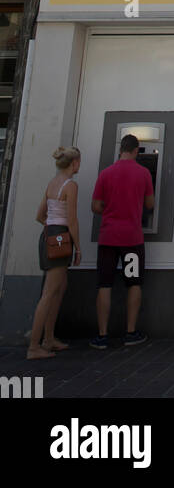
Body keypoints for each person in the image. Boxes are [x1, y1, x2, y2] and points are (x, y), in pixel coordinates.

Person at [89, 134, 153, 349]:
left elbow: (96, 206)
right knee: (133, 283)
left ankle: (102, 335)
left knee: (105, 284)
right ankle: (130, 332)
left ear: (120, 149)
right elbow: (150, 204)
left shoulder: (106, 173)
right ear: (136, 151)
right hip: (132, 239)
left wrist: (111, 208)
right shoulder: (144, 173)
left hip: (108, 237)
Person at [28, 145, 82, 359]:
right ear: (74, 163)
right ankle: (35, 345)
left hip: (49, 234)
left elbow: (39, 214)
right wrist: (77, 247)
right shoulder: (71, 186)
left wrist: (50, 227)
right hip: (61, 235)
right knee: (50, 292)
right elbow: (72, 220)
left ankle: (49, 338)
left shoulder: (52, 183)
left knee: (60, 286)